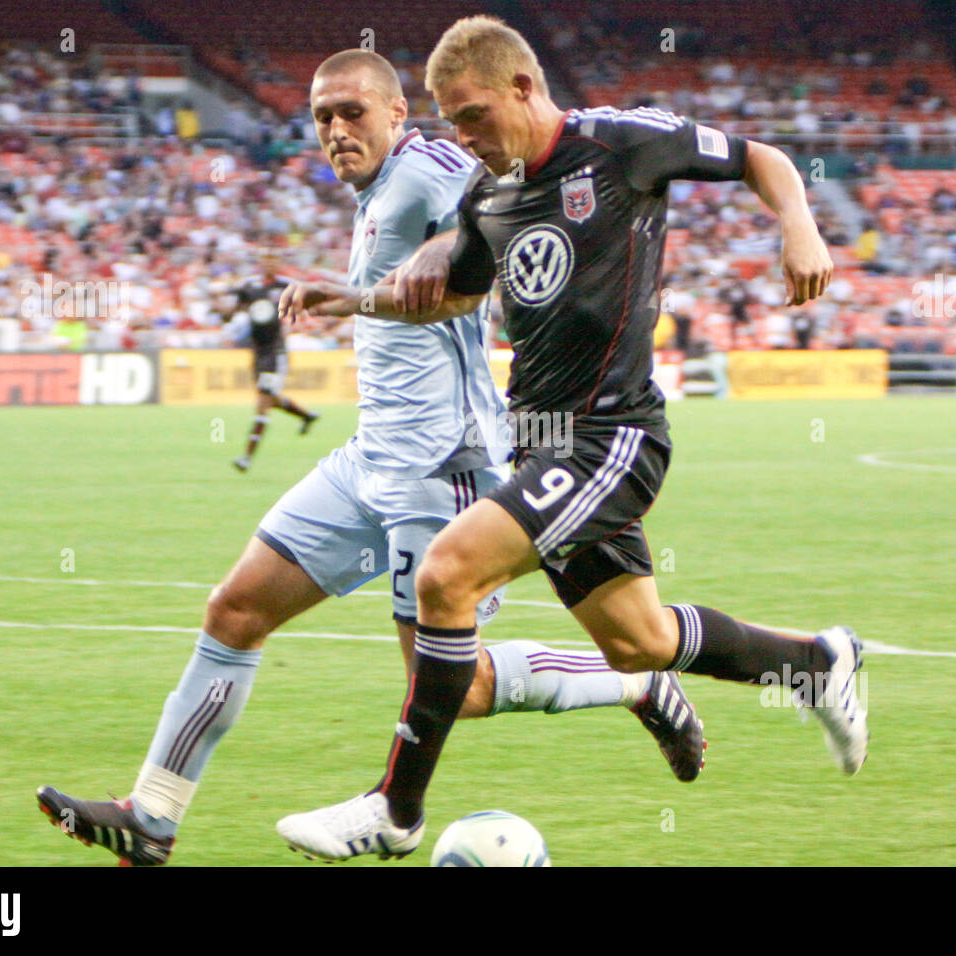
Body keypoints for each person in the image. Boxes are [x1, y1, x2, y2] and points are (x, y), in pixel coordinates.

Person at [35, 49, 703, 867]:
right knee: (234, 611)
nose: (337, 129)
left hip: (442, 465)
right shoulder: (376, 192)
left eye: (354, 112)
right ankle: (153, 816)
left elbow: (514, 199)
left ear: (397, 114)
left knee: (462, 689)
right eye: (322, 116)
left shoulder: (428, 165)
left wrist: (450, 243)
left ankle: (635, 679)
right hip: (367, 462)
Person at [276, 16, 867, 862]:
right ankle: (814, 663)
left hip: (612, 438)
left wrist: (800, 229)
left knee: (445, 574)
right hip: (543, 449)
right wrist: (353, 298)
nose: (464, 137)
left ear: (524, 88)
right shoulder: (488, 198)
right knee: (642, 642)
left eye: (473, 115)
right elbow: (450, 298)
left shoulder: (623, 145)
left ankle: (393, 812)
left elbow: (759, 159)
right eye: (449, 121)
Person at [222, 257, 320, 473]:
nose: (268, 265)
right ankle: (306, 416)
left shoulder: (285, 285)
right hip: (258, 352)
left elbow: (306, 299)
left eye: (272, 261)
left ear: (278, 265)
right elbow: (231, 310)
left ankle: (247, 457)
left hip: (275, 353)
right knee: (271, 399)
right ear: (260, 264)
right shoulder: (250, 287)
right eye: (265, 261)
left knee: (263, 402)